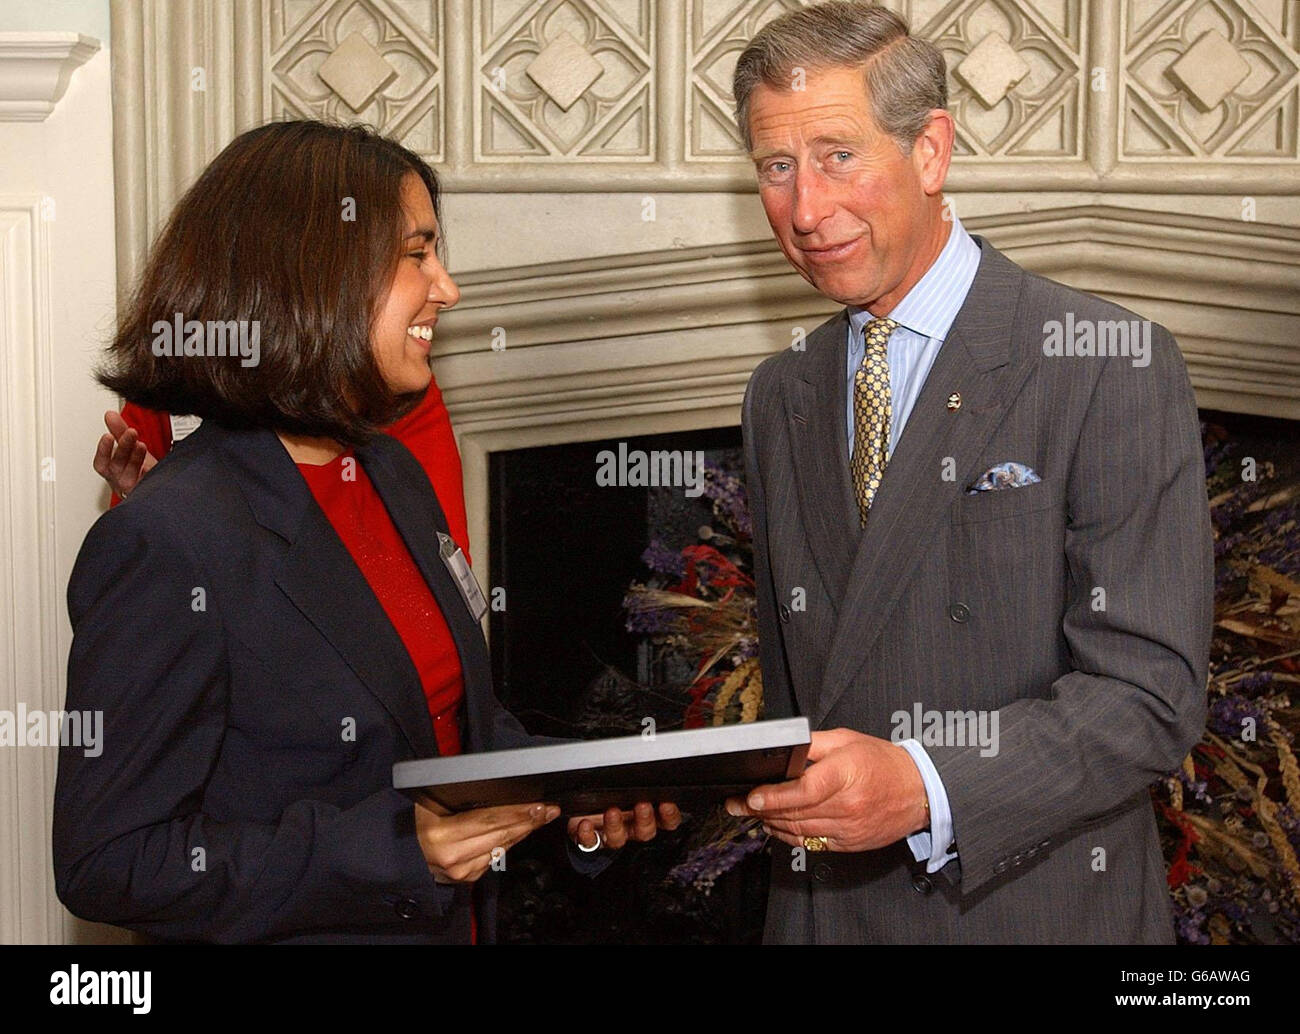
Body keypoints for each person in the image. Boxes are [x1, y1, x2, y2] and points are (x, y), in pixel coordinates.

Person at [55, 120, 677, 945]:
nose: (446, 289)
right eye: (417, 254)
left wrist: (572, 803)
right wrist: (391, 851)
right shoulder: (171, 538)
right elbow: (110, 859)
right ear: (312, 273)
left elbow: (452, 725)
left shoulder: (389, 473)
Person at [725, 2, 1213, 943]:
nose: (805, 209)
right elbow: (803, 702)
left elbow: (1149, 696)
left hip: (1033, 913)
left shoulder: (1106, 362)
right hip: (823, 919)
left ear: (933, 152)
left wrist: (924, 787)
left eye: (837, 156)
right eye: (775, 168)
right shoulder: (780, 391)